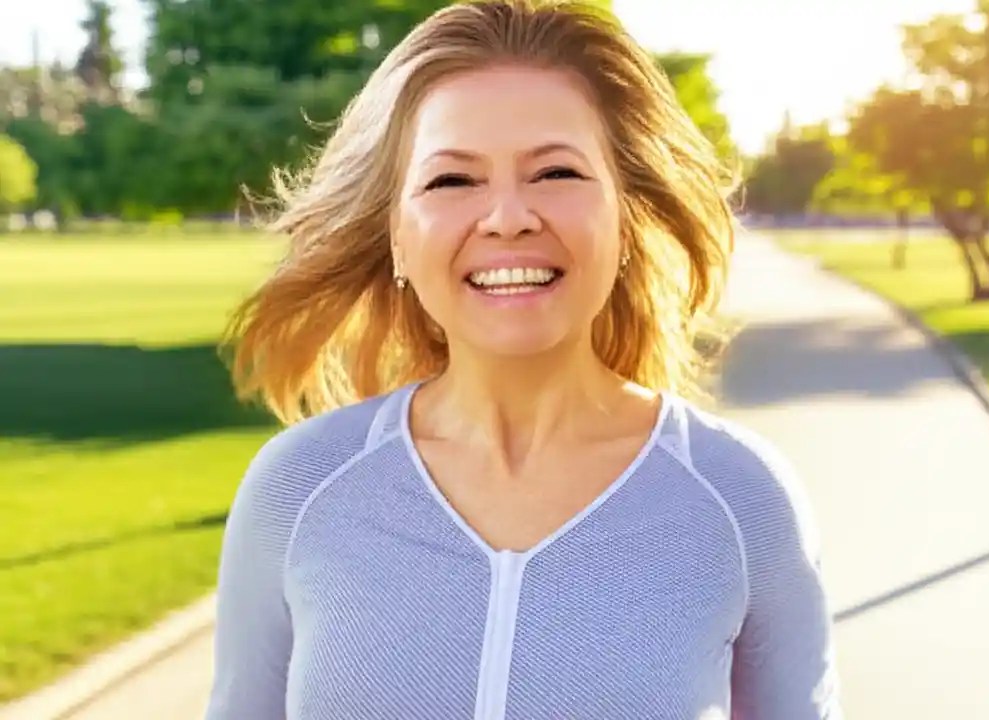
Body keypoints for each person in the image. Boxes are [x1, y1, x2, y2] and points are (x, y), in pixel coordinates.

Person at [207, 1, 841, 717]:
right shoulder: (298, 491)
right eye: (453, 181)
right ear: (397, 238)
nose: (508, 216)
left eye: (555, 173)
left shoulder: (740, 499)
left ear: (625, 219)